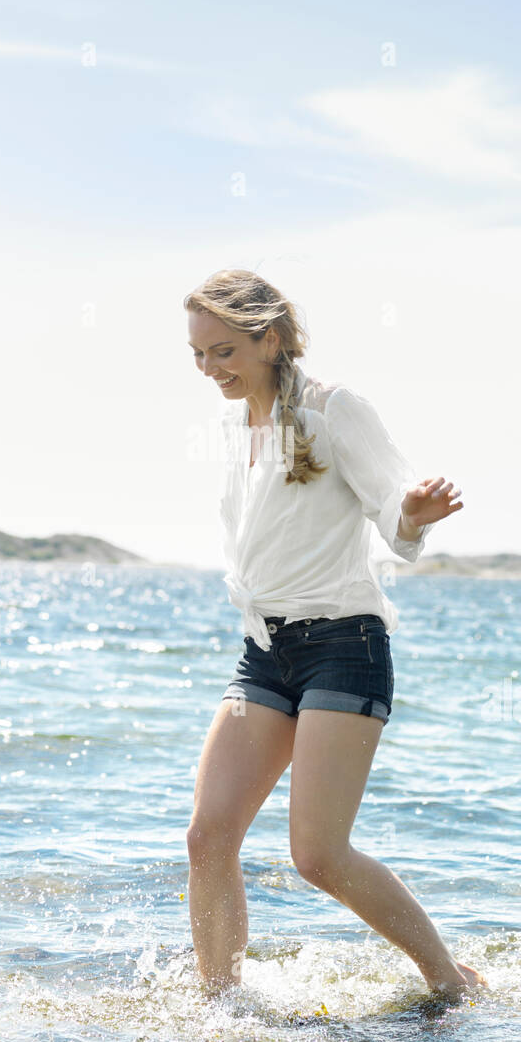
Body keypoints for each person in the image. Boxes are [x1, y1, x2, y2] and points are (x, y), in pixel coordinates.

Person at [183, 269, 487, 1002]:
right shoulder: (231, 430)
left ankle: (448, 981)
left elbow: (391, 507)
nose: (210, 369)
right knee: (208, 836)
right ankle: (218, 1006)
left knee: (316, 855)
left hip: (343, 644)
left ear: (272, 338)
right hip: (264, 650)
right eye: (198, 354)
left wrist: (412, 511)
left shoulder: (332, 408)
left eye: (224, 351)